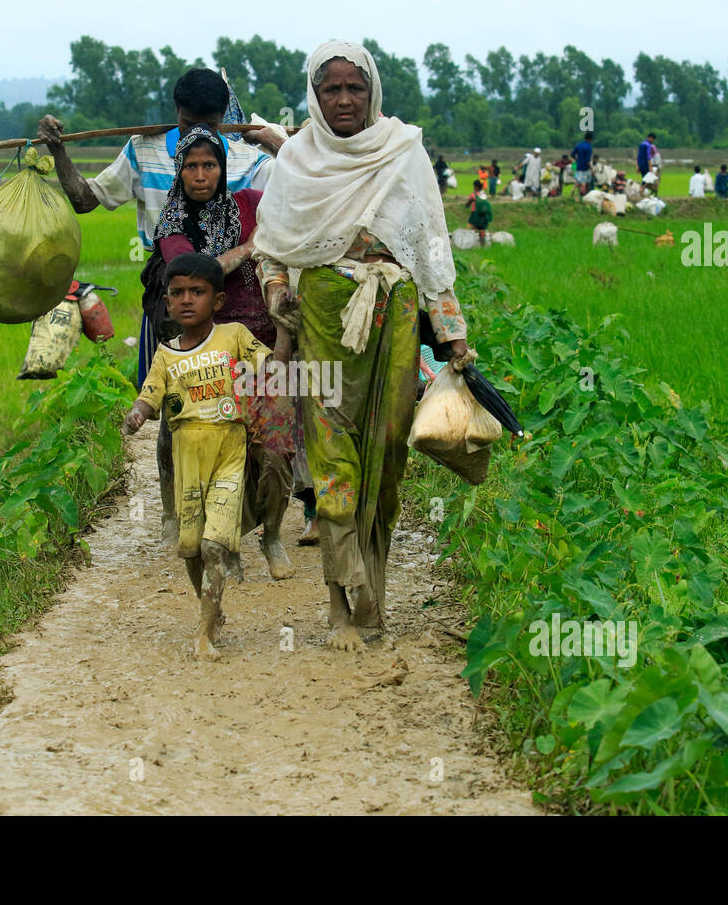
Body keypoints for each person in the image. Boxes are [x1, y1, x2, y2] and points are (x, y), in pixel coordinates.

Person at [253, 41, 469, 652]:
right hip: (322, 316)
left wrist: (450, 333)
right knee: (332, 460)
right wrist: (277, 294)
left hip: (393, 321)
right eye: (331, 89)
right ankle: (338, 605)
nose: (344, 99)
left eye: (355, 87)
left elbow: (430, 246)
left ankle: (372, 593)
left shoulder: (402, 152)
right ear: (314, 97)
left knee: (386, 456)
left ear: (372, 91)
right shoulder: (296, 159)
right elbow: (271, 246)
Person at [38, 68, 281, 548]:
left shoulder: (248, 158)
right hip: (173, 291)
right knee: (174, 406)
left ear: (223, 119)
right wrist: (59, 152)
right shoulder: (143, 149)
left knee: (248, 409)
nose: (200, 153)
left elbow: (290, 205)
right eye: (192, 125)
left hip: (238, 294)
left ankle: (250, 512)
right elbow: (86, 199)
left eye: (210, 127)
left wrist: (278, 144)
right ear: (177, 114)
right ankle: (175, 512)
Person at [153, 125, 295, 580]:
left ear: (223, 167)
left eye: (209, 164)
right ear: (180, 170)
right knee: (217, 453)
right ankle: (222, 541)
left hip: (267, 347)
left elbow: (295, 202)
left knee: (275, 452)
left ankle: (271, 534)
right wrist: (253, 247)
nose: (200, 174)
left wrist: (278, 144)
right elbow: (196, 270)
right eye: (191, 165)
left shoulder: (252, 203)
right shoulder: (172, 225)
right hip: (207, 358)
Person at [124, 252, 273, 661]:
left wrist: (289, 335)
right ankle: (212, 609)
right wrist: (137, 414)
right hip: (186, 458)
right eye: (177, 293)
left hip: (229, 451)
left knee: (213, 546)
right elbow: (150, 394)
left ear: (218, 301)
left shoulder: (236, 336)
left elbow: (273, 367)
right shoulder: (166, 354)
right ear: (168, 302)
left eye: (197, 292)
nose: (187, 300)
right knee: (190, 548)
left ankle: (204, 632)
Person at [465, 179, 493, 244]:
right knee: (482, 229)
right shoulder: (483, 194)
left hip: (475, 214)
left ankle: (469, 242)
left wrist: (467, 205)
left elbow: (468, 203)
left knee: (472, 227)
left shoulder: (473, 194)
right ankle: (482, 242)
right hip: (483, 215)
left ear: (475, 186)